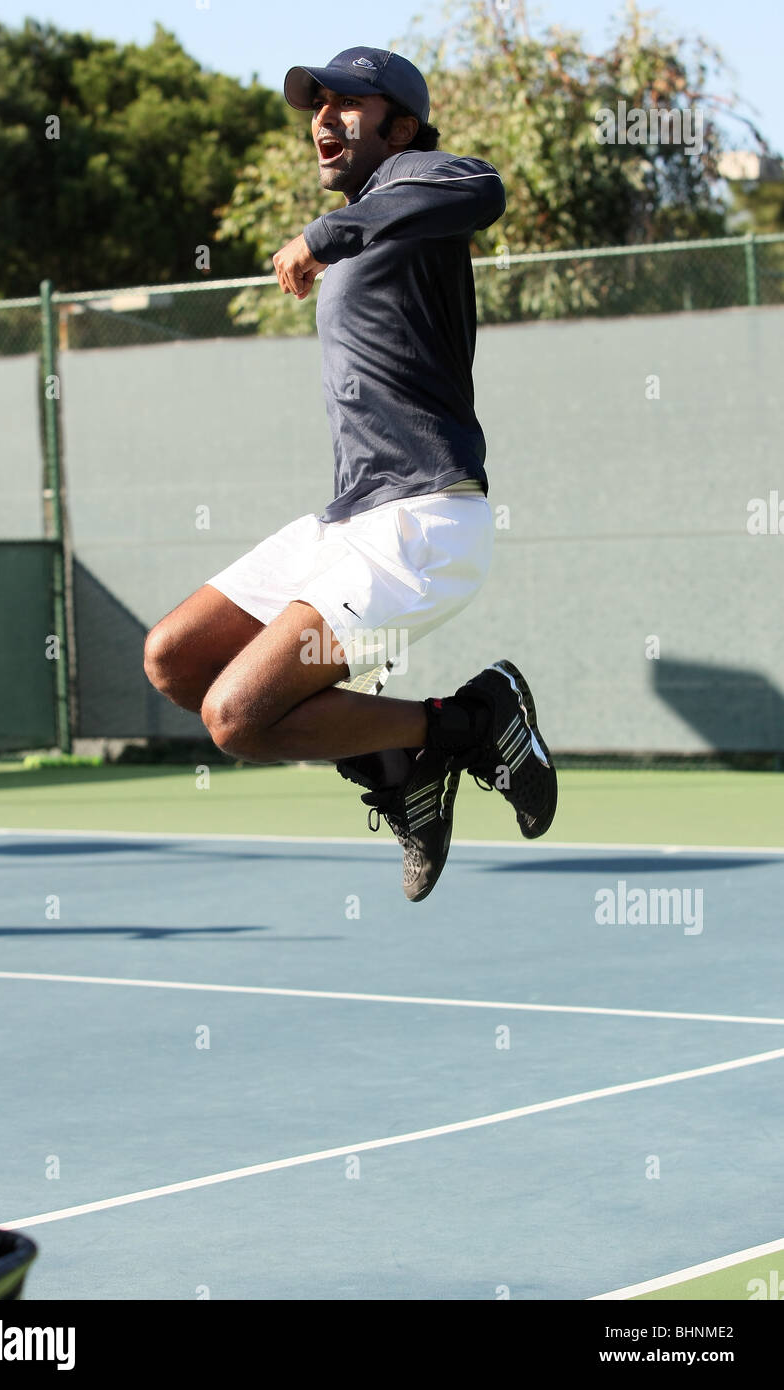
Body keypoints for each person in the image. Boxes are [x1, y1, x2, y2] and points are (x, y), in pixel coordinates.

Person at [144, 47, 557, 902]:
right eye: (316, 104)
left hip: (424, 527)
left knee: (236, 718)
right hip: (346, 523)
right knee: (177, 661)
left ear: (400, 125)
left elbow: (484, 188)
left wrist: (325, 235)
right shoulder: (377, 213)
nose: (323, 119)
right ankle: (402, 769)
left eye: (346, 104)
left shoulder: (417, 182)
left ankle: (477, 722)